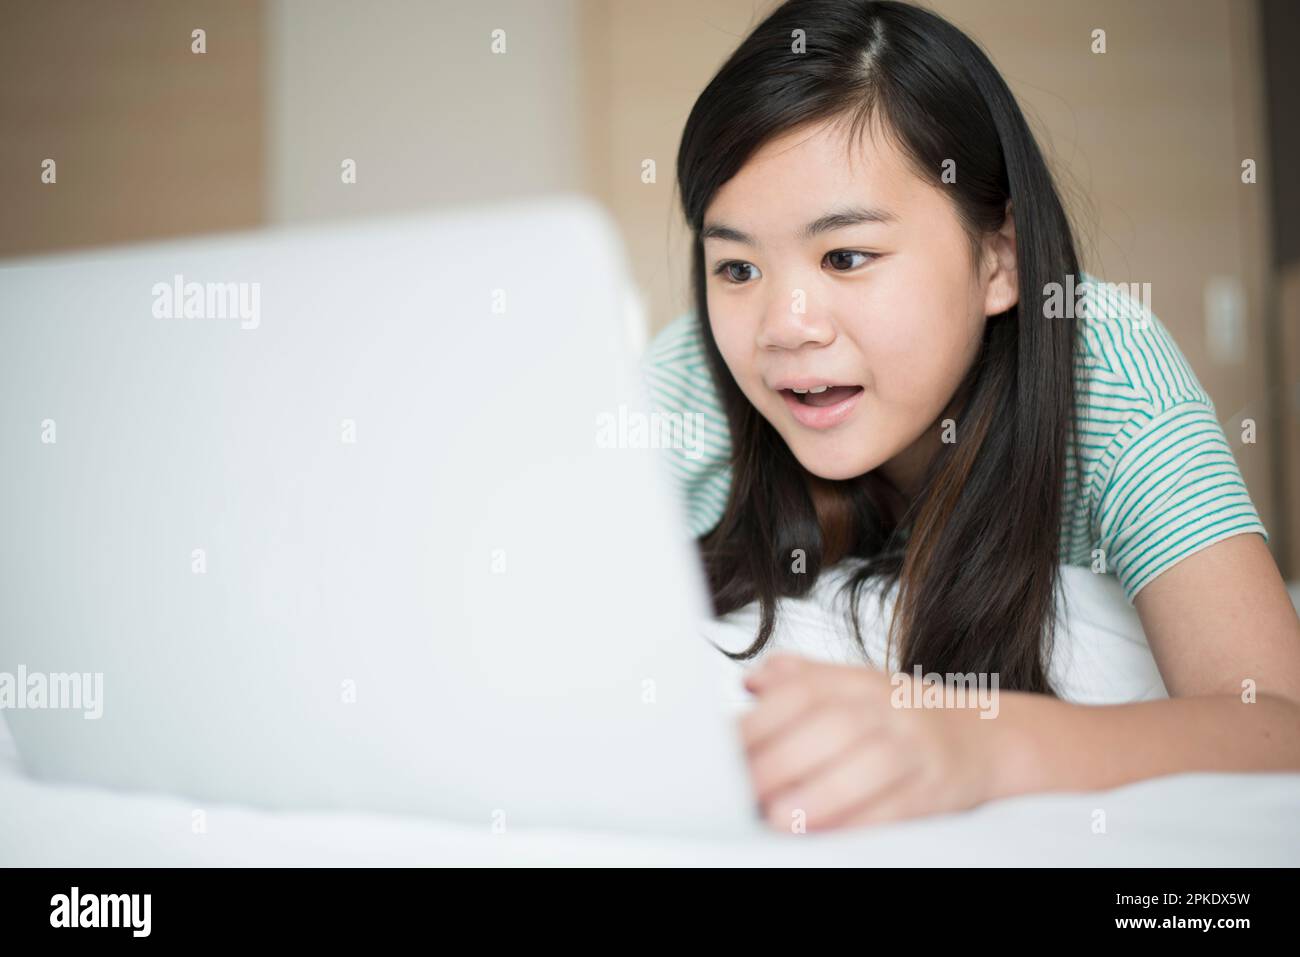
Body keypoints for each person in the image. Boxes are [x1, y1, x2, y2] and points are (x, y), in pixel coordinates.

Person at [641, 0, 1300, 832]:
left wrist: (981, 747)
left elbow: (1277, 719)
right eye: (736, 267)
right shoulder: (691, 377)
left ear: (999, 261)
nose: (782, 325)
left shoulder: (1106, 368)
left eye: (846, 256)